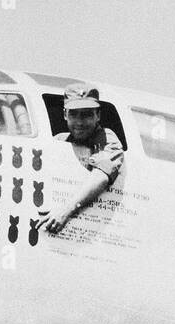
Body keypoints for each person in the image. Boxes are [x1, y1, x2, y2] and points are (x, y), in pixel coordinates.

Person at [36, 84, 124, 235]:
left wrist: (65, 211)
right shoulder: (59, 141)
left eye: (86, 115)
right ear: (65, 115)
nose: (79, 122)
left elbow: (101, 176)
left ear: (98, 115)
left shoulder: (108, 140)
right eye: (74, 114)